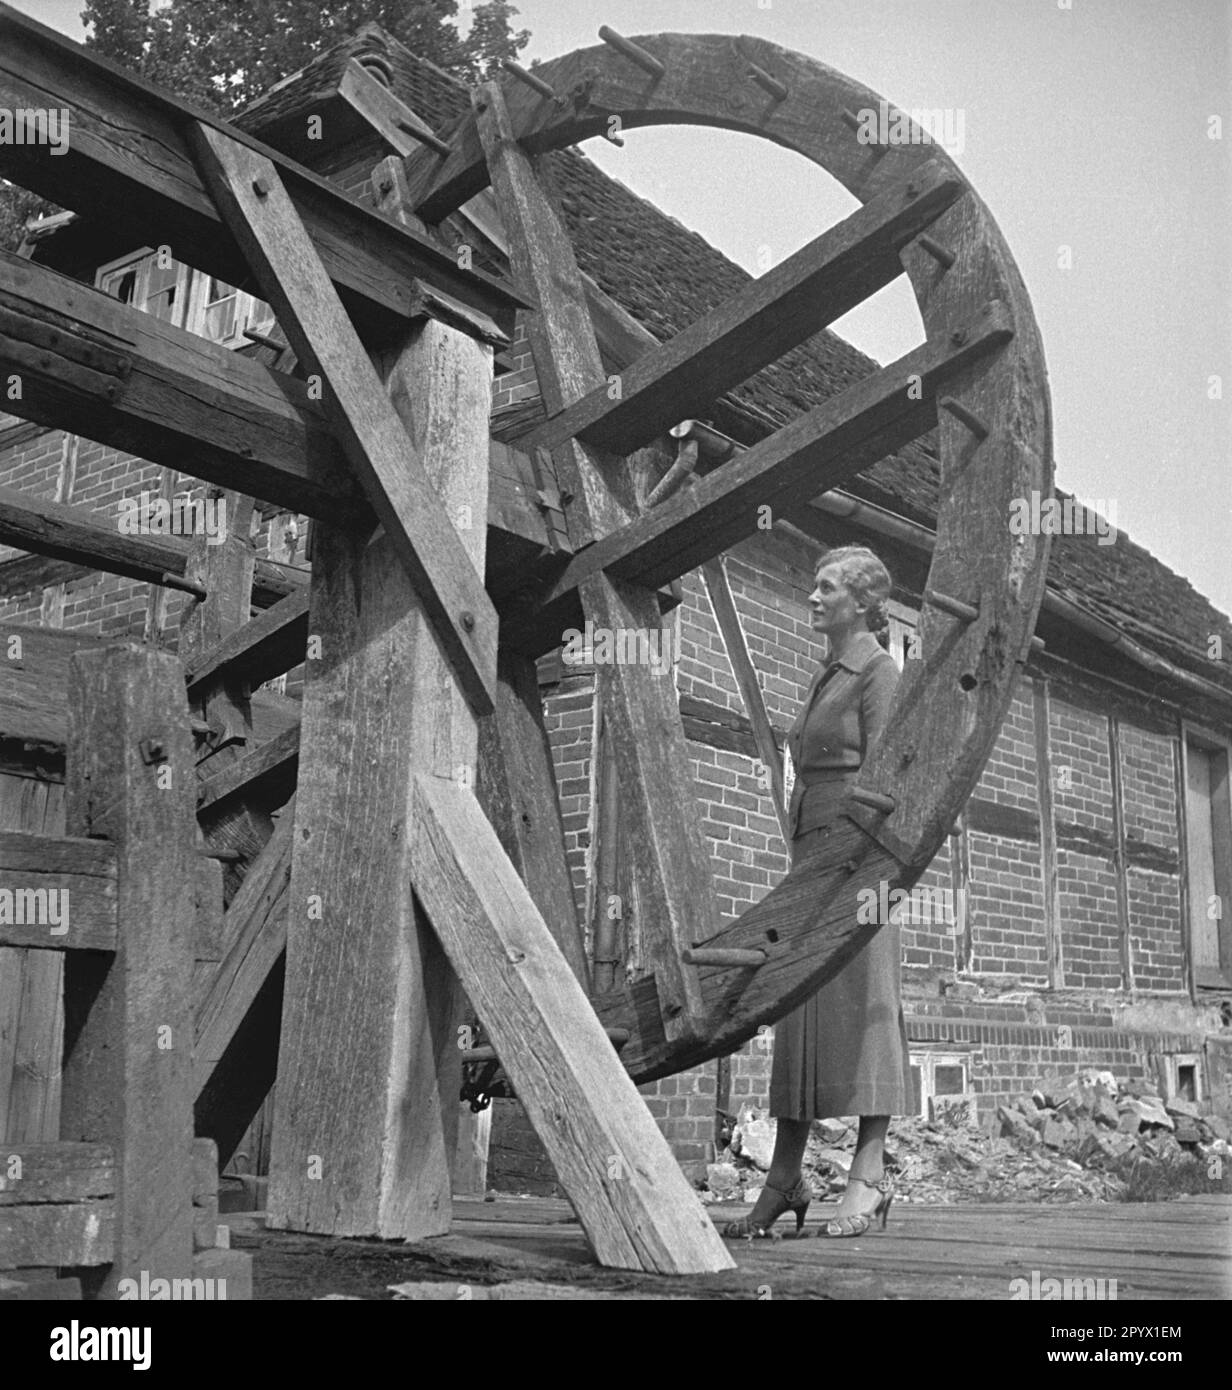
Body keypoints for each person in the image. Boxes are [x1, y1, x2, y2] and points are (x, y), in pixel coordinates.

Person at [723, 545, 909, 1240]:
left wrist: (855, 862)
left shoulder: (879, 672)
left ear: (861, 602)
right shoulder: (825, 675)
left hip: (858, 863)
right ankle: (785, 1178)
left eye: (825, 587)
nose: (812, 596)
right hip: (809, 857)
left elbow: (890, 780)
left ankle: (868, 1175)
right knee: (797, 1004)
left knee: (868, 1003)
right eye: (813, 585)